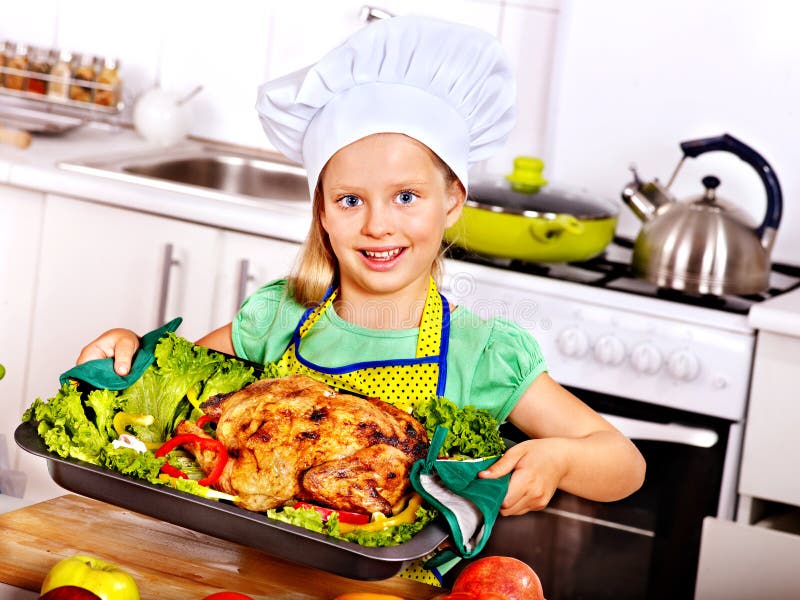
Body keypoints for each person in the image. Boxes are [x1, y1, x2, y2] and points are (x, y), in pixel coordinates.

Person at [77, 16, 645, 522]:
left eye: (406, 197)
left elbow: (624, 466)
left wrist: (561, 457)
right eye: (351, 200)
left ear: (452, 200)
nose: (378, 225)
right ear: (322, 210)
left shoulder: (482, 353)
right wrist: (124, 353)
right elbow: (165, 401)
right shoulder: (279, 317)